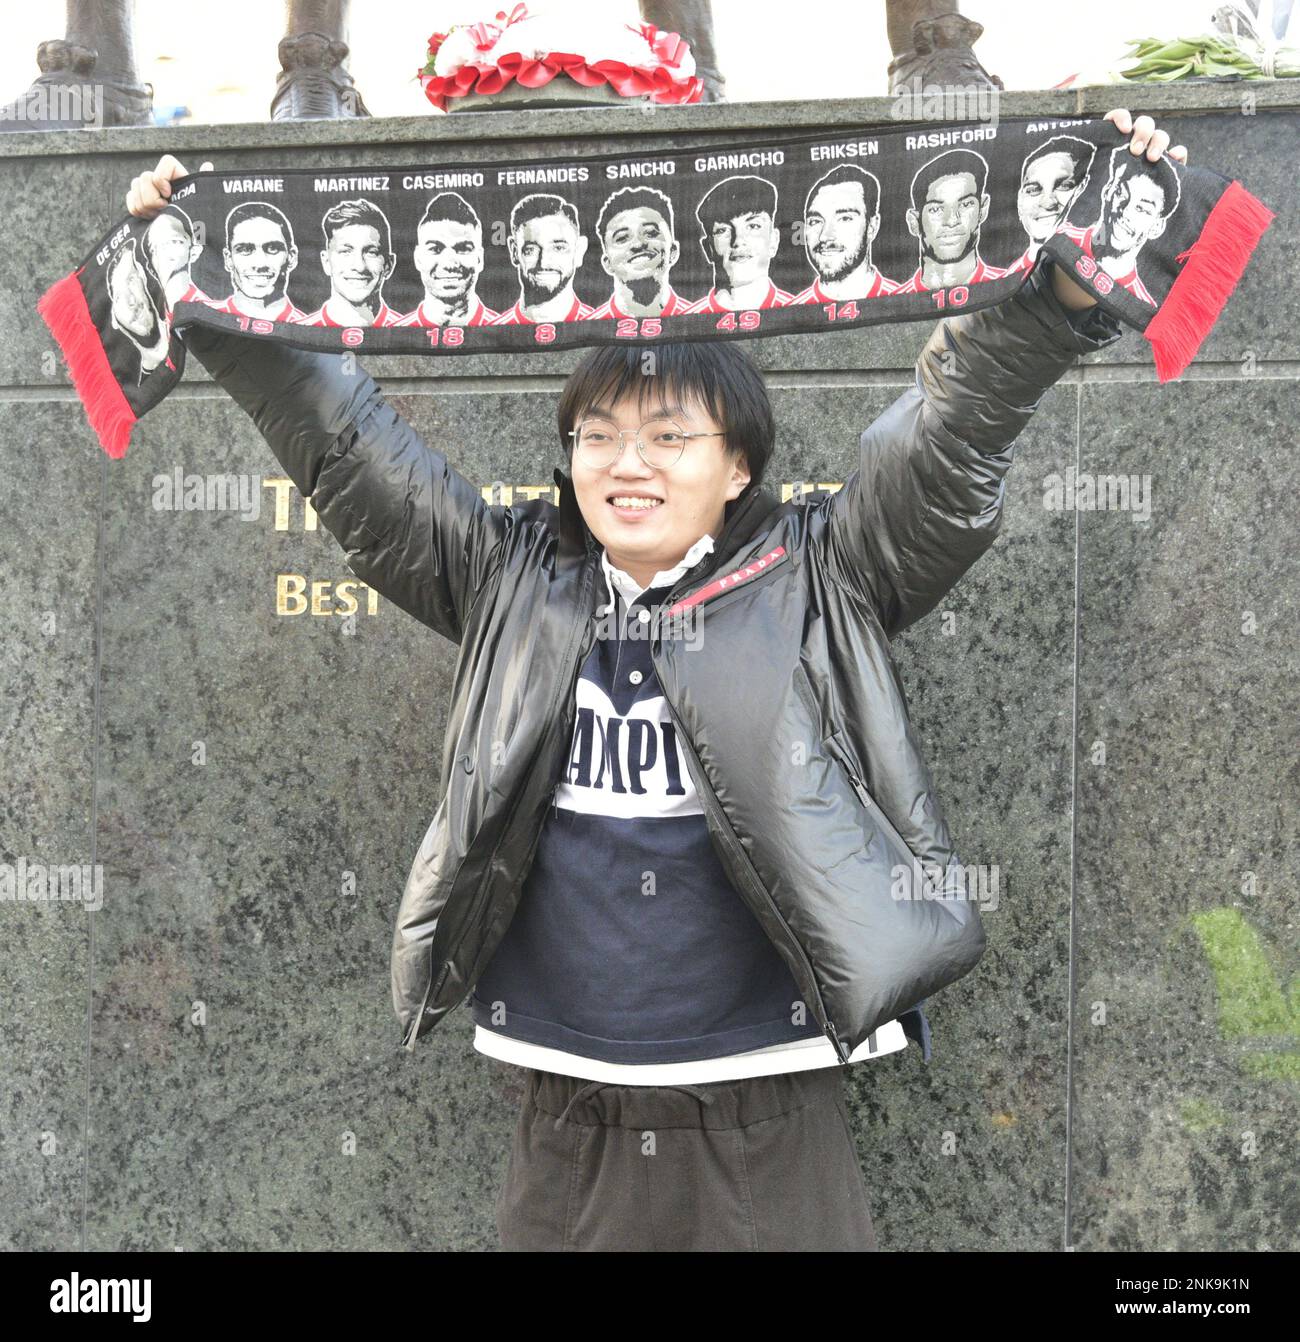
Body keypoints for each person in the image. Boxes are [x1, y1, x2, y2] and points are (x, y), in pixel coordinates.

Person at [123, 109, 1187, 1252]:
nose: (626, 464)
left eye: (669, 437)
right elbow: (346, 447)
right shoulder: (507, 575)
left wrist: (1064, 288)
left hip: (764, 1093)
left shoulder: (824, 569)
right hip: (559, 1095)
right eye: (598, 435)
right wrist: (206, 276)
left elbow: (954, 429)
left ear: (737, 465)